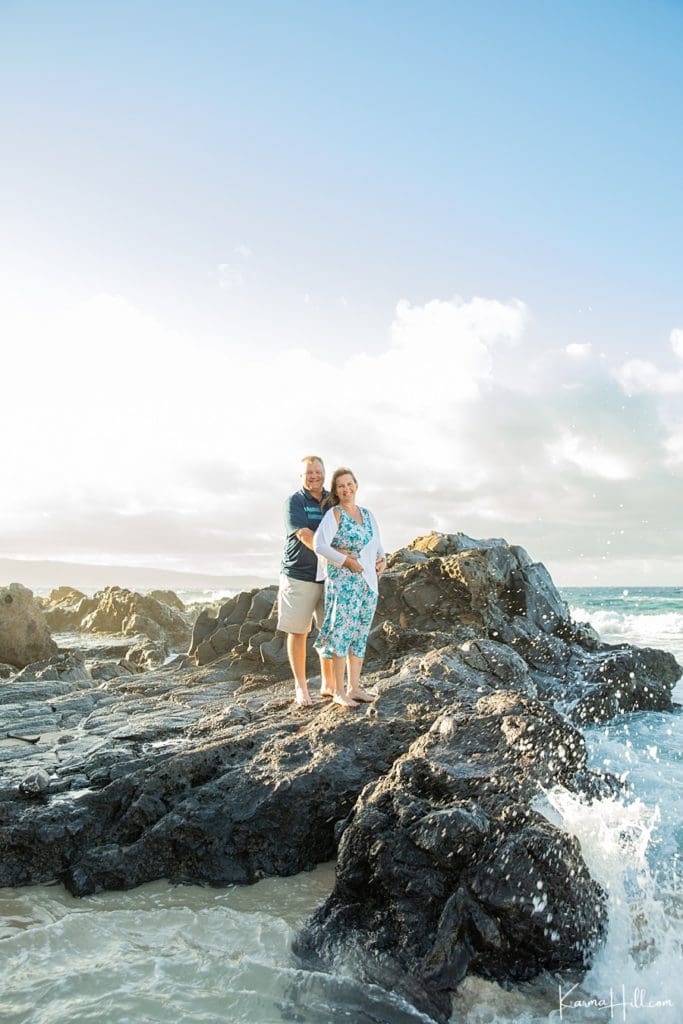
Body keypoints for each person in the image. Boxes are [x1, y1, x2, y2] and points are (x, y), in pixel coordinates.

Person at [277, 456, 352, 707]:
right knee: (299, 632)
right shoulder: (295, 502)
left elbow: (346, 531)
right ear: (302, 476)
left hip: (329, 576)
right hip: (299, 575)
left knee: (328, 631)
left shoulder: (333, 501)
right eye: (309, 472)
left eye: (318, 471)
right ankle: (300, 687)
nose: (314, 476)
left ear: (324, 473)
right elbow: (305, 535)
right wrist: (336, 556)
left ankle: (328, 684)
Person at [313, 467, 387, 706]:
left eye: (349, 484)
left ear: (356, 485)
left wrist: (383, 560)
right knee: (341, 633)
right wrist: (346, 561)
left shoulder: (368, 514)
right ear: (335, 491)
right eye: (340, 486)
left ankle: (354, 688)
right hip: (344, 583)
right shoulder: (335, 514)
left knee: (360, 634)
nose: (346, 489)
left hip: (368, 583)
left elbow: (377, 543)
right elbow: (319, 545)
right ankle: (338, 691)